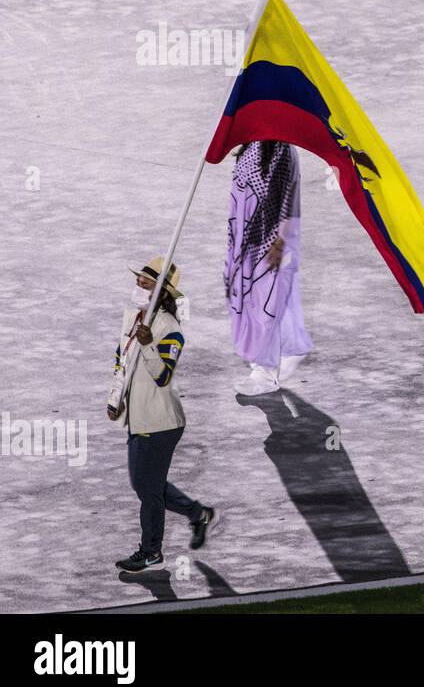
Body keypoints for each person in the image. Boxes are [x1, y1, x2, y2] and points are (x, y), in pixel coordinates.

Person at [107, 258, 216, 573]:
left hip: (161, 422)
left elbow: (162, 376)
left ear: (161, 292)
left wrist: (148, 344)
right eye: (138, 280)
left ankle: (151, 551)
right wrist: (115, 398)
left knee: (148, 489)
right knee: (146, 485)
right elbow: (121, 362)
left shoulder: (171, 329)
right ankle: (198, 514)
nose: (138, 286)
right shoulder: (132, 318)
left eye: (145, 282)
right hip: (138, 418)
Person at [225, 140, 313, 394]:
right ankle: (291, 347)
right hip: (247, 237)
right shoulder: (252, 145)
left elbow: (289, 199)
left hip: (271, 239)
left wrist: (280, 241)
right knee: (265, 299)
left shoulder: (282, 152)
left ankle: (265, 372)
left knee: (266, 302)